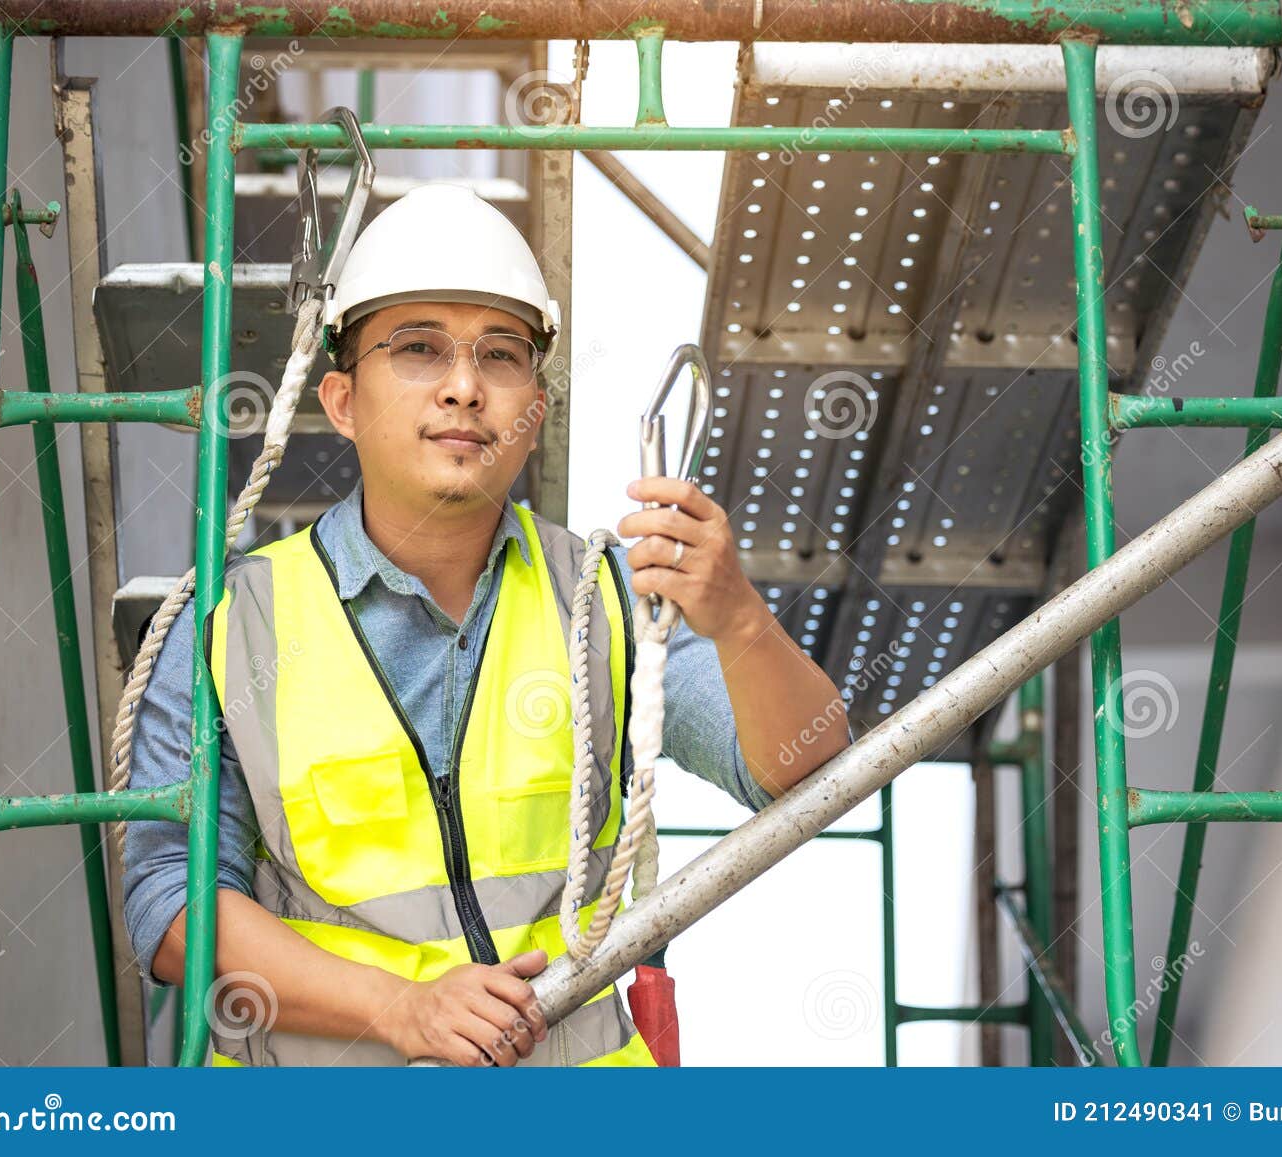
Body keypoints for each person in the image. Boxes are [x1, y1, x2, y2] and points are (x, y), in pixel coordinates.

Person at [122, 184, 850, 1067]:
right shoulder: (234, 626)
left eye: (501, 356)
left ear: (533, 412)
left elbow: (801, 773)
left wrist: (737, 617)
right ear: (343, 401)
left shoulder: (607, 598)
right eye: (419, 348)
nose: (465, 387)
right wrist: (401, 1010)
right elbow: (172, 909)